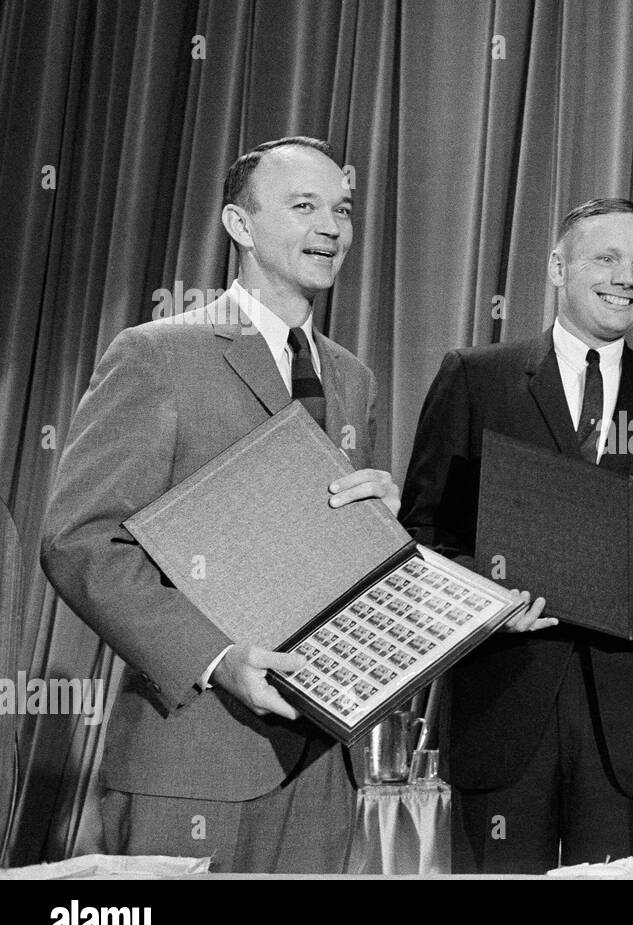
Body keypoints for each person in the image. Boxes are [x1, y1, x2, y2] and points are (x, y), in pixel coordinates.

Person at [41, 136, 399, 873]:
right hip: (193, 756)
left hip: (323, 770)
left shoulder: (353, 378)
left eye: (342, 208)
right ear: (239, 225)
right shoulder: (157, 355)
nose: (331, 227)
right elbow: (80, 542)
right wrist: (217, 658)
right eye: (304, 207)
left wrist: (383, 532)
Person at [399, 198, 633, 874]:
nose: (625, 278)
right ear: (557, 266)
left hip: (629, 732)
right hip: (501, 711)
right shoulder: (475, 378)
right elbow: (421, 537)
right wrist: (486, 604)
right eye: (606, 258)